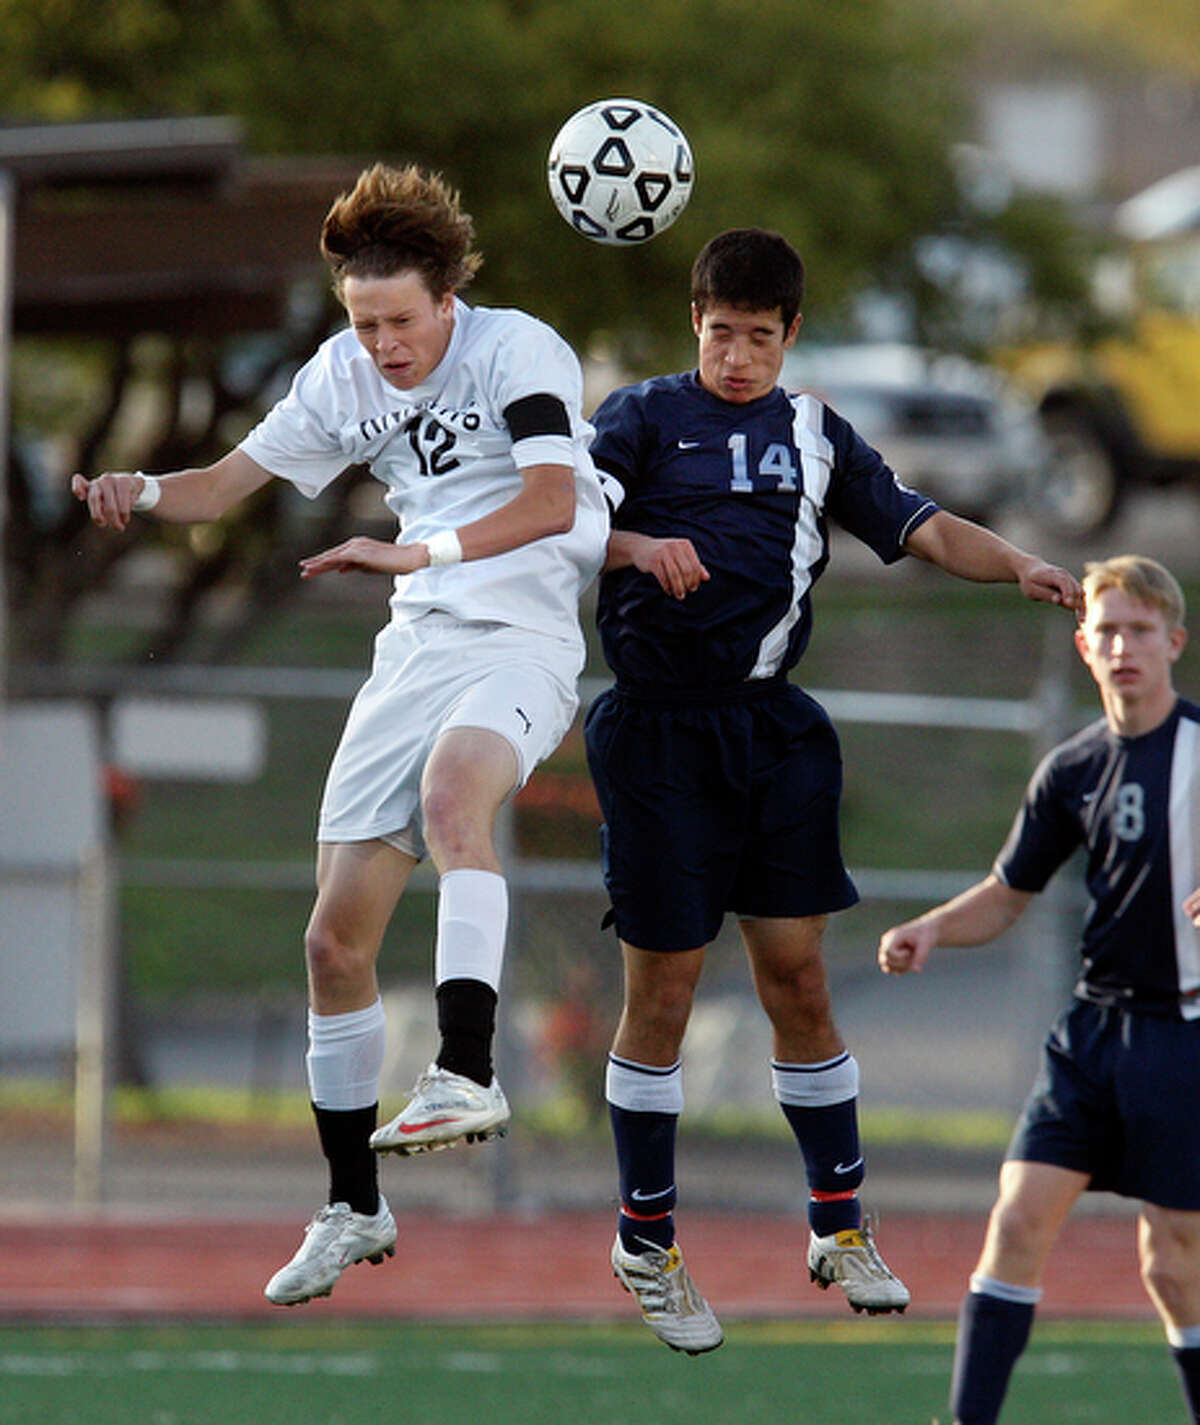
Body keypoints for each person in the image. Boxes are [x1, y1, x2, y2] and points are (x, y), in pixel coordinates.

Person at [72, 162, 609, 1307]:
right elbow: (222, 487)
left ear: (447, 297)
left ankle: (466, 1067)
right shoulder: (339, 374)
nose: (384, 344)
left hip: (517, 631)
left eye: (402, 322)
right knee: (330, 945)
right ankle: (353, 1206)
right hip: (415, 647)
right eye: (365, 323)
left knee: (457, 799)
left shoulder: (520, 350)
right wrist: (143, 490)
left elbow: (554, 504)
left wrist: (415, 551)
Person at [583, 226, 1081, 1355]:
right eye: (721, 335)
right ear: (691, 326)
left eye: (760, 338)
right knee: (662, 991)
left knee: (799, 978)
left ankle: (840, 1225)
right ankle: (646, 1240)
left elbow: (920, 524)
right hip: (657, 732)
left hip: (773, 730)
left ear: (792, 335)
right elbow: (562, 524)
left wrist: (1022, 564)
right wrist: (637, 545)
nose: (739, 358)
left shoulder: (814, 430)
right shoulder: (638, 418)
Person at [879, 554, 1200, 1424]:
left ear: (1173, 641)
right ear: (1084, 645)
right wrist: (936, 927)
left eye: (1141, 629)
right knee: (1017, 1221)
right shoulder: (1072, 767)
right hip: (1093, 1033)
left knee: (1173, 1263)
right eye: (1108, 630)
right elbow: (1008, 893)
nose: (1124, 645)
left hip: (1186, 1036)